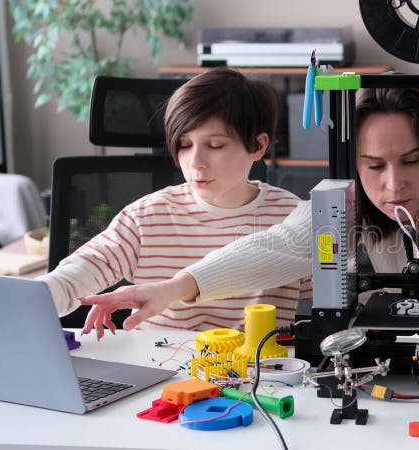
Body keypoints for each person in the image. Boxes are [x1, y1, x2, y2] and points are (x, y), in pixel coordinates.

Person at [80, 86, 419, 349]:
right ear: (354, 165)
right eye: (374, 166)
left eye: (412, 161)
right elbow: (279, 246)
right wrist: (172, 288)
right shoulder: (353, 195)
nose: (392, 185)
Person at [40, 68, 310, 333]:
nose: (196, 163)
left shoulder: (293, 218)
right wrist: (34, 298)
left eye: (215, 146)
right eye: (184, 144)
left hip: (255, 370)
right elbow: (78, 274)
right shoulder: (145, 217)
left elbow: (332, 297)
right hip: (158, 366)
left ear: (257, 146)